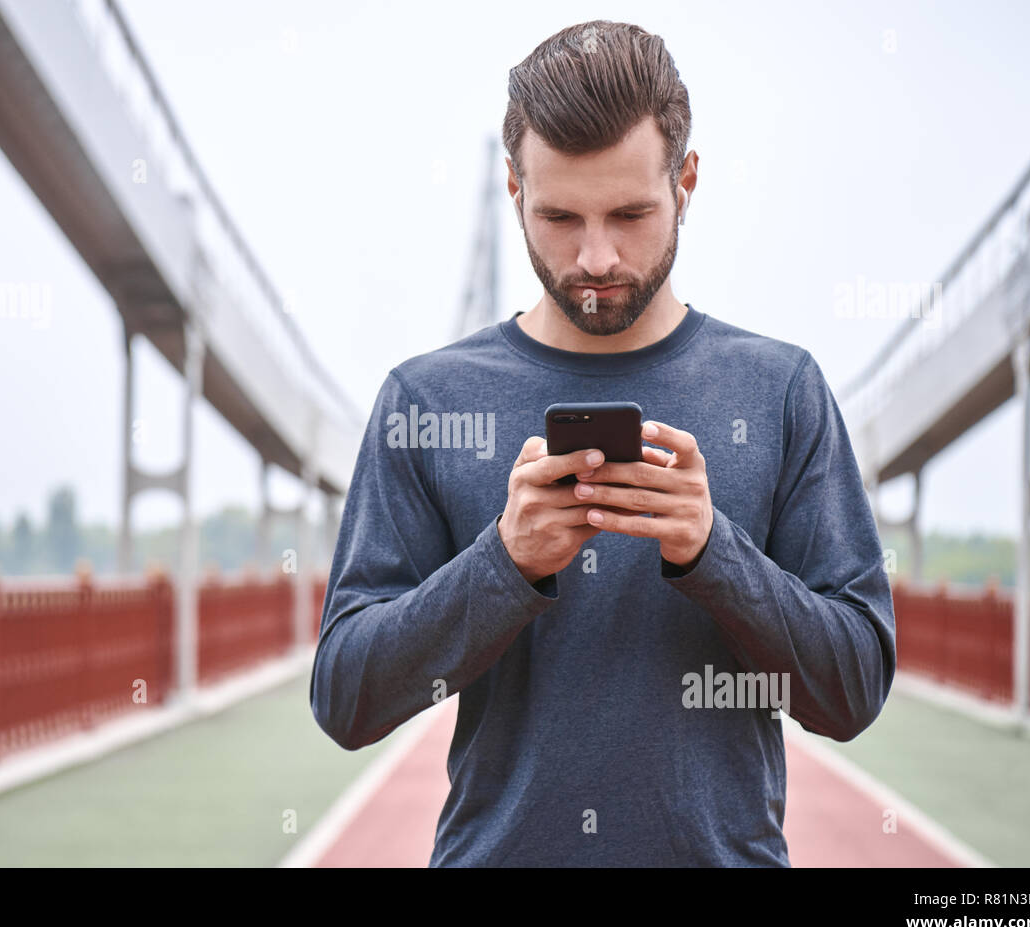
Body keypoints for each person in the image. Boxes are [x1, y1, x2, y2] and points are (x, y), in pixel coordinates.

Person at [309, 19, 895, 866]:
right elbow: (346, 699)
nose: (595, 256)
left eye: (630, 213)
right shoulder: (425, 400)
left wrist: (712, 552)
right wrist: (503, 564)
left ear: (686, 183)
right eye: (558, 216)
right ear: (513, 189)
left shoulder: (781, 391)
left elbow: (852, 692)